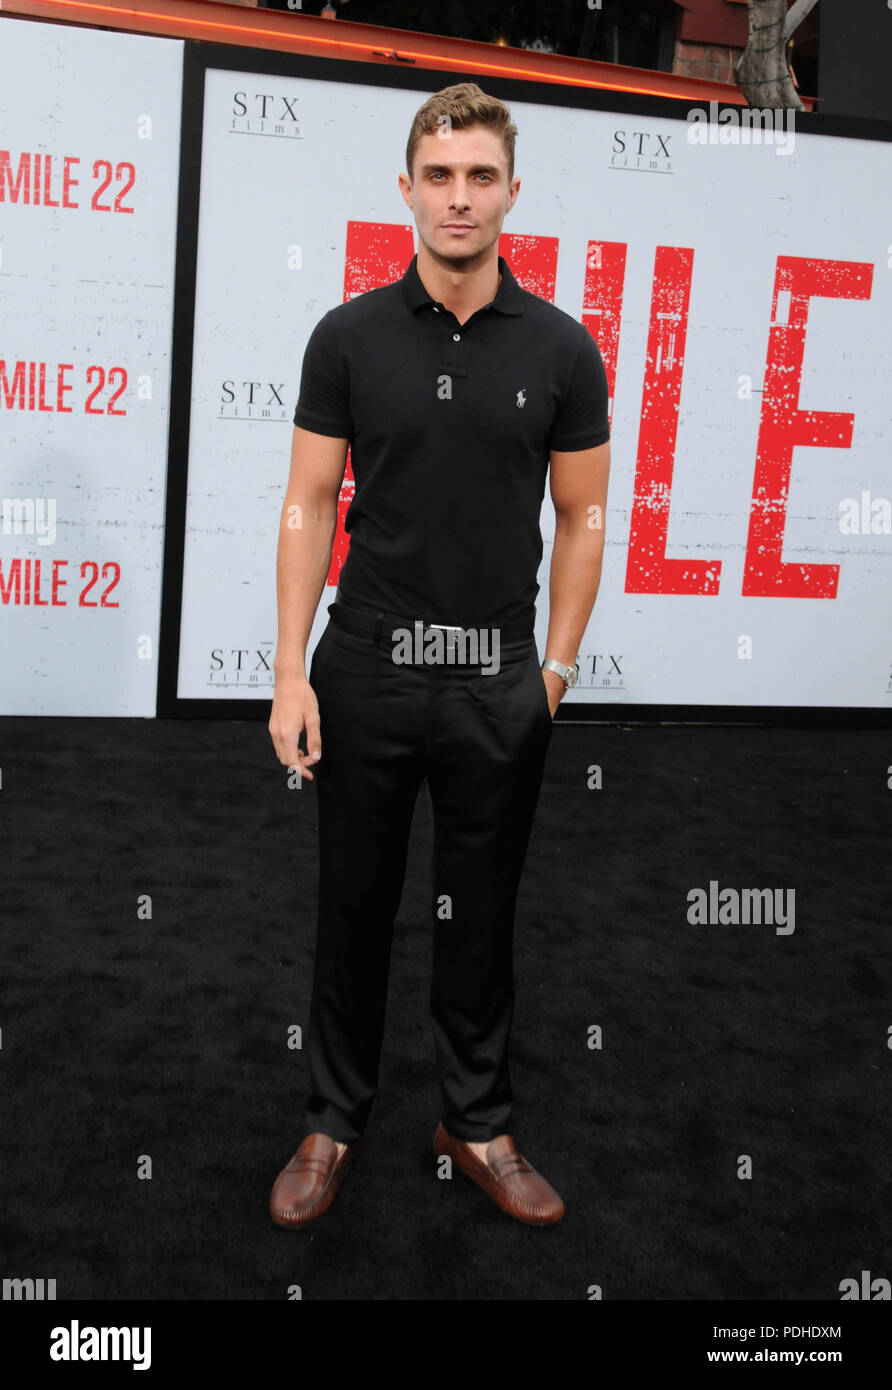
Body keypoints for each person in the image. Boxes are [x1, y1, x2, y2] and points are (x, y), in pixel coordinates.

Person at [268, 82, 611, 1228]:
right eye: (438, 174)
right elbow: (308, 506)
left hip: (495, 676)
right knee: (351, 905)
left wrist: (552, 674)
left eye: (478, 176)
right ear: (406, 190)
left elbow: (585, 518)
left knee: (484, 907)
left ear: (512, 192)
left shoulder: (563, 349)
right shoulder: (347, 337)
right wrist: (287, 670)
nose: (457, 196)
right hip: (364, 665)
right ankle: (332, 1118)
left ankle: (475, 1120)